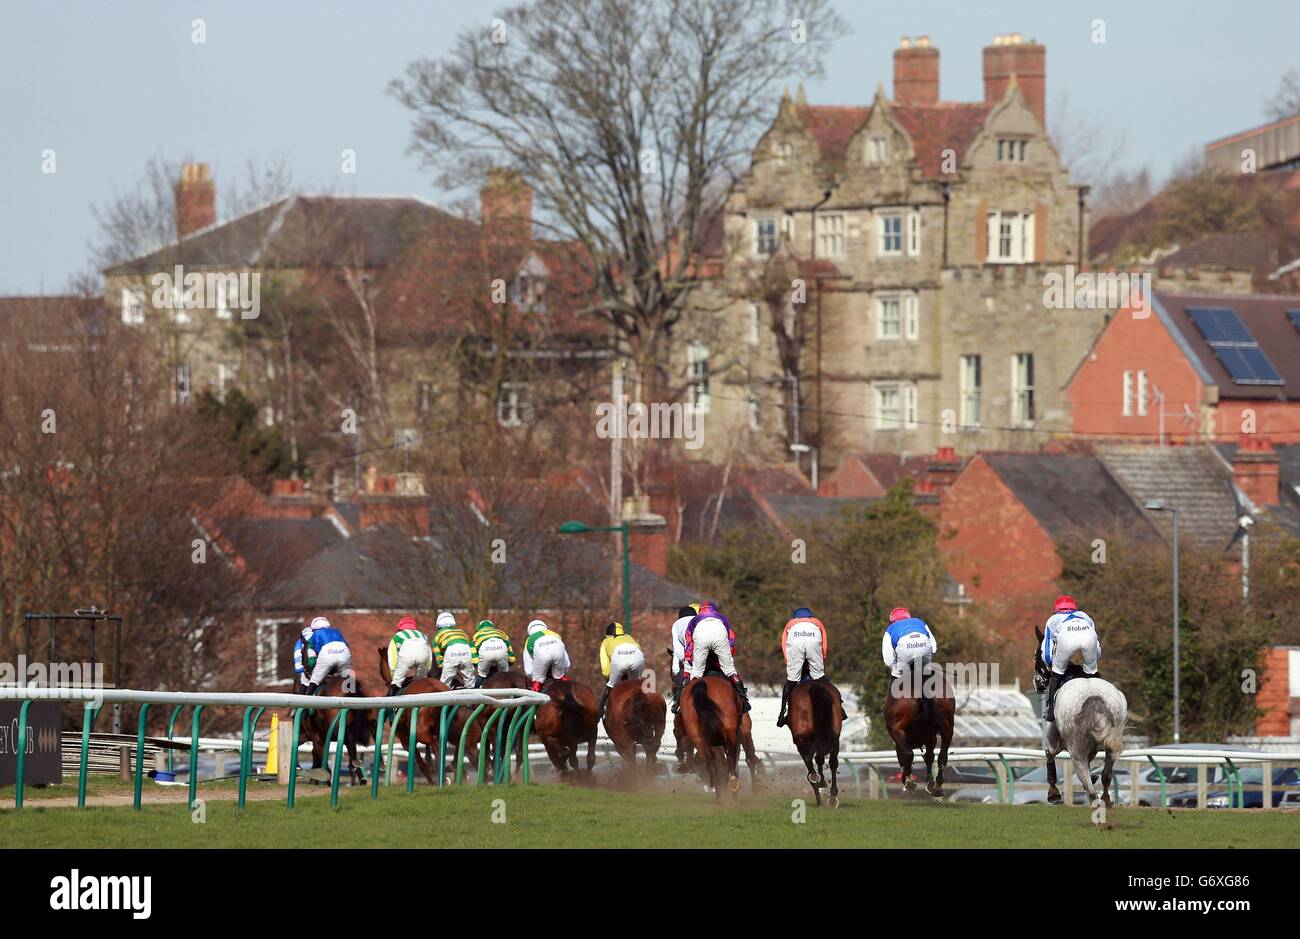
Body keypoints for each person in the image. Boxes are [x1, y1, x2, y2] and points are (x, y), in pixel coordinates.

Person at [679, 601, 750, 714]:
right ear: (715, 610)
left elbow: (689, 644)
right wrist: (728, 658)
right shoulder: (722, 618)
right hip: (719, 635)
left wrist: (689, 662)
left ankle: (682, 702)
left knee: (696, 673)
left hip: (700, 635)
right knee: (729, 671)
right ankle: (744, 698)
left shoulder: (694, 621)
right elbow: (731, 639)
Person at [1040, 595, 1100, 723]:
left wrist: (1054, 665)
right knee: (1092, 673)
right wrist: (1092, 665)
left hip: (1066, 640)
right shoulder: (1085, 616)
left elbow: (1046, 651)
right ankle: (1099, 702)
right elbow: (1097, 648)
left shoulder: (1052, 619)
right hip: (1089, 639)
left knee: (1056, 673)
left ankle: (1050, 711)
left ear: (1056, 610)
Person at [776, 607, 828, 728]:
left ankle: (782, 713)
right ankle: (840, 709)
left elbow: (784, 645)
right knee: (819, 677)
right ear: (811, 616)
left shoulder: (790, 623)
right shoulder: (817, 622)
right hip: (814, 639)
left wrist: (788, 663)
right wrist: (821, 660)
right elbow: (824, 646)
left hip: (795, 641)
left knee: (792, 679)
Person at [598, 622, 645, 719]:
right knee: (636, 686)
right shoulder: (629, 637)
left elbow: (605, 669)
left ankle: (599, 713)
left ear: (608, 634)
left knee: (610, 685)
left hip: (619, 658)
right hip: (637, 656)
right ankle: (642, 710)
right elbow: (639, 649)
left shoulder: (606, 641)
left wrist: (609, 678)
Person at [296, 616, 352, 695]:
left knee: (315, 679)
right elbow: (346, 645)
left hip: (328, 654)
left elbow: (312, 653)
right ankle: (351, 697)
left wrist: (311, 664)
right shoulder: (337, 631)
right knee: (345, 678)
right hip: (344, 652)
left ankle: (306, 701)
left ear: (314, 629)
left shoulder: (315, 634)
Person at [881, 607, 937, 682]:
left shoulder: (890, 628)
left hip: (904, 652)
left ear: (892, 621)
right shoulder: (919, 621)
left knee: (896, 675)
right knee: (926, 674)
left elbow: (888, 659)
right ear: (909, 617)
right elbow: (933, 647)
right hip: (924, 648)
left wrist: (895, 667)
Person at [385, 616, 433, 697]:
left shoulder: (397, 636)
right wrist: (426, 671)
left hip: (406, 656)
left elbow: (392, 659)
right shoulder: (423, 635)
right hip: (423, 656)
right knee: (422, 681)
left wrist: (394, 676)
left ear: (400, 628)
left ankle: (391, 707)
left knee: (396, 683)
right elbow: (429, 656)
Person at [522, 619, 570, 692]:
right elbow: (566, 662)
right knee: (560, 677)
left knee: (538, 681)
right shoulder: (555, 634)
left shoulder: (529, 639)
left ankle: (534, 699)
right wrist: (562, 673)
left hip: (542, 655)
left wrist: (534, 678)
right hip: (558, 649)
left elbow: (529, 668)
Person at [432, 611, 475, 689]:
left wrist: (441, 664)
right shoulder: (461, 632)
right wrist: (474, 661)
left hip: (451, 652)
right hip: (466, 651)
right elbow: (470, 645)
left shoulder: (438, 634)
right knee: (470, 681)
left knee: (445, 684)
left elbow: (437, 652)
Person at [669, 604, 699, 711]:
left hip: (690, 658)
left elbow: (678, 652)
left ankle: (678, 703)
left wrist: (677, 671)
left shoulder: (676, 624)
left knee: (683, 679)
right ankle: (741, 694)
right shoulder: (701, 619)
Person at [471, 619, 516, 687]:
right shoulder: (501, 633)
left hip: (485, 652)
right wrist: (510, 661)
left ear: (479, 628)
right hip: (501, 649)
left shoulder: (477, 635)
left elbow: (473, 650)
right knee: (505, 675)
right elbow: (509, 649)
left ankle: (475, 691)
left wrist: (475, 663)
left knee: (482, 675)